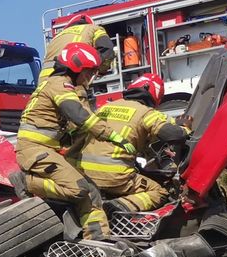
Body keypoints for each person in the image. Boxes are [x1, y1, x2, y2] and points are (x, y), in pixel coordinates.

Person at [10, 42, 129, 239]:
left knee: (91, 192)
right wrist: (111, 135)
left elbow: (72, 125)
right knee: (79, 188)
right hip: (34, 150)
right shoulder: (59, 84)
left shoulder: (53, 85)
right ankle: (27, 182)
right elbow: (78, 114)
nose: (90, 78)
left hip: (42, 150)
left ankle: (99, 240)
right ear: (76, 68)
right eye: (89, 72)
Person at [80, 73, 188, 211]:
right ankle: (116, 207)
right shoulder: (145, 113)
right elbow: (174, 135)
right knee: (159, 192)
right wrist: (186, 128)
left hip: (85, 175)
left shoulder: (104, 108)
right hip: (115, 177)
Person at [39, 13, 115, 80]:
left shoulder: (56, 37)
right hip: (68, 75)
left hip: (43, 81)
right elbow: (107, 49)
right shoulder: (93, 29)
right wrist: (100, 70)